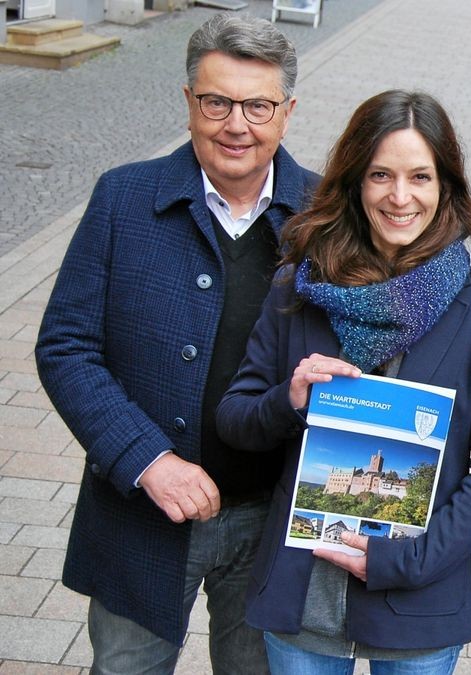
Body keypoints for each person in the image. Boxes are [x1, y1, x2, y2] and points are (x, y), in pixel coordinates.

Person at [34, 14, 316, 674]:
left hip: (269, 521)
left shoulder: (324, 214)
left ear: (288, 111)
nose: (236, 125)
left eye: (257, 105)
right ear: (189, 101)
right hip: (141, 516)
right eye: (216, 102)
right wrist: (146, 458)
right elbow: (66, 346)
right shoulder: (124, 198)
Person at [214, 89, 471, 673]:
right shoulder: (300, 289)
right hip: (302, 602)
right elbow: (235, 417)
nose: (400, 196)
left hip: (416, 603)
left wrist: (404, 561)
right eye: (381, 174)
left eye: (420, 177)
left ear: (445, 187)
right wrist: (289, 399)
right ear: (356, 179)